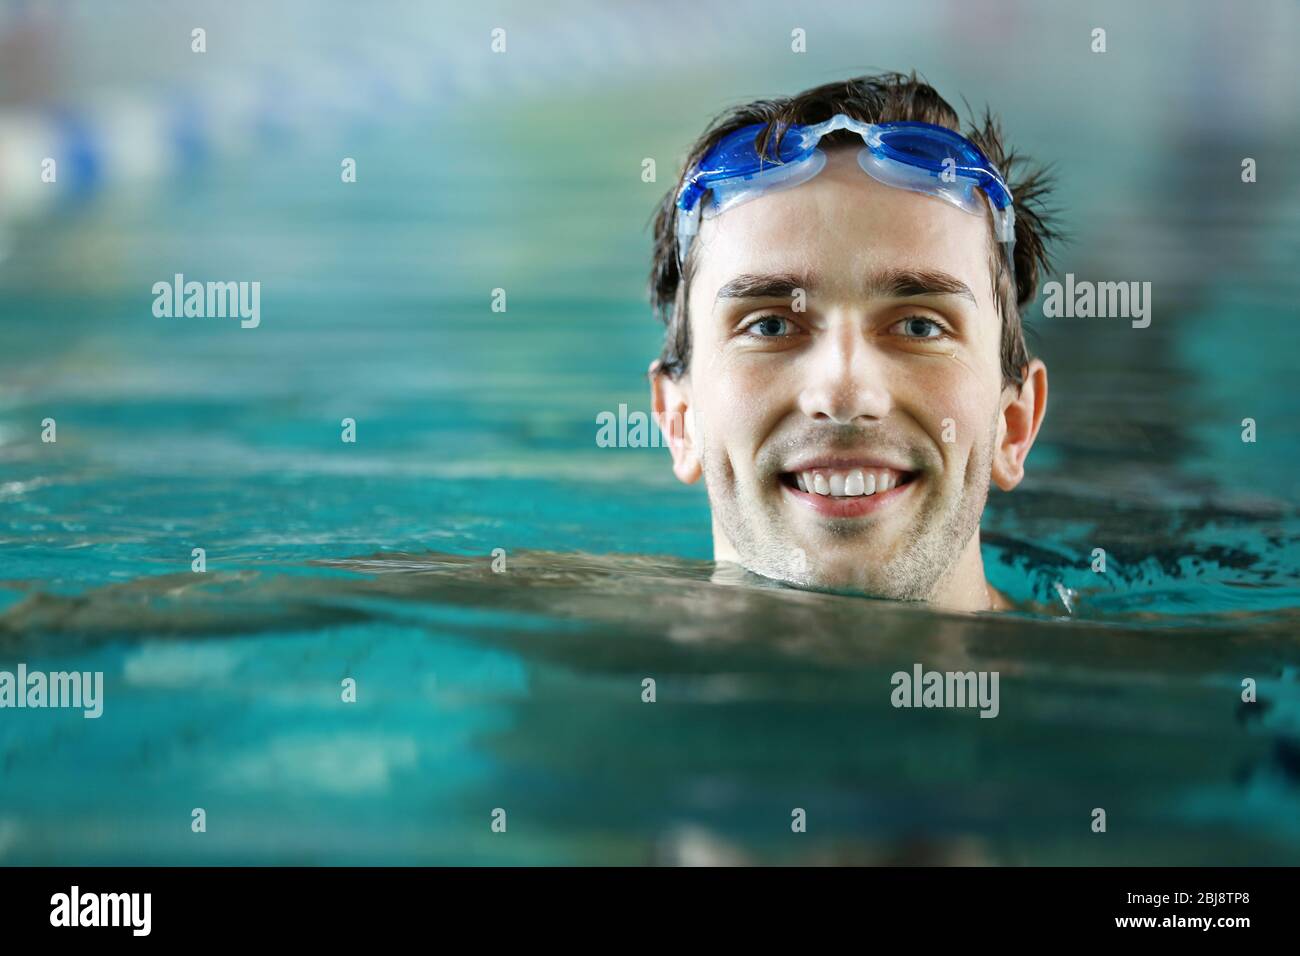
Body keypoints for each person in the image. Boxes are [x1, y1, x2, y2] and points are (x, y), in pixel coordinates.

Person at [647, 73, 1059, 611]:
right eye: (769, 326)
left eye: (920, 326)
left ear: (1014, 427)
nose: (843, 393)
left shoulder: (1144, 680)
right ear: (680, 422)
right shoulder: (568, 660)